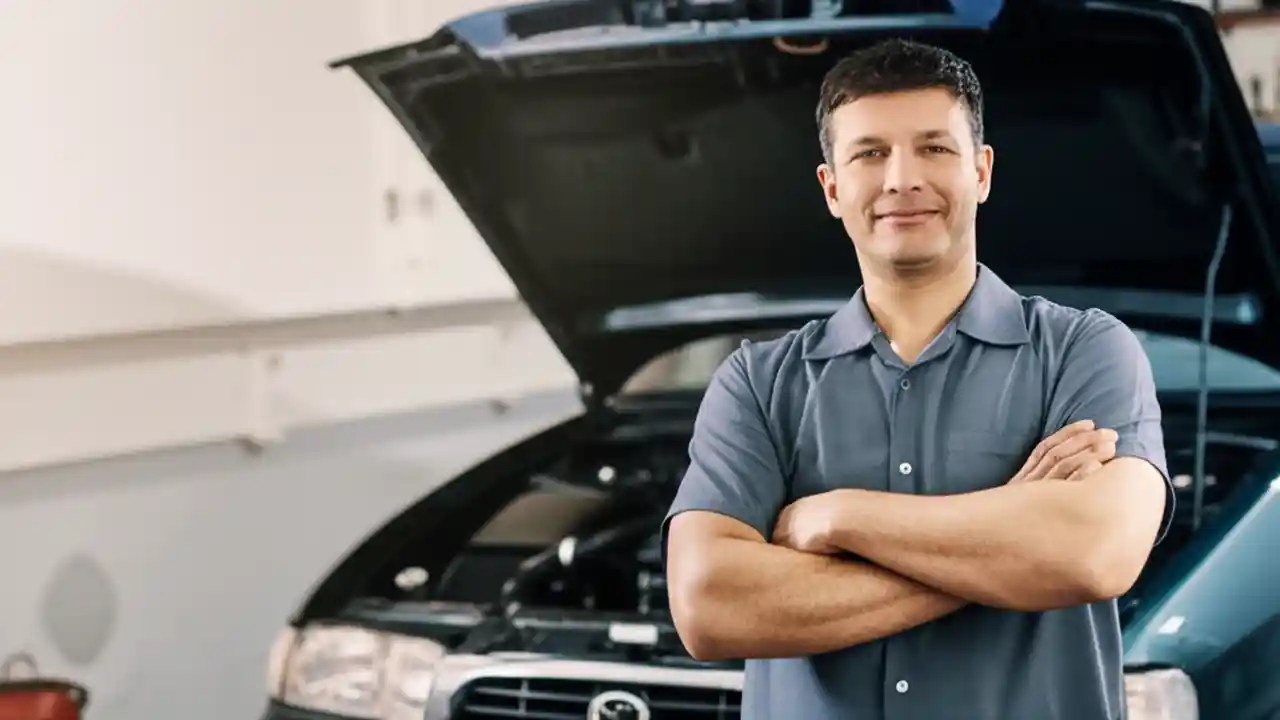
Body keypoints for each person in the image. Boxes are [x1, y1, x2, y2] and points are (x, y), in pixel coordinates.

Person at [662, 39, 1175, 719]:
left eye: (934, 147)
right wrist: (1010, 545)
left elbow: (1093, 554)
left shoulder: (1086, 351)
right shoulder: (757, 383)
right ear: (833, 187)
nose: (902, 178)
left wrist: (837, 516)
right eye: (870, 153)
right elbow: (708, 605)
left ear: (982, 171)